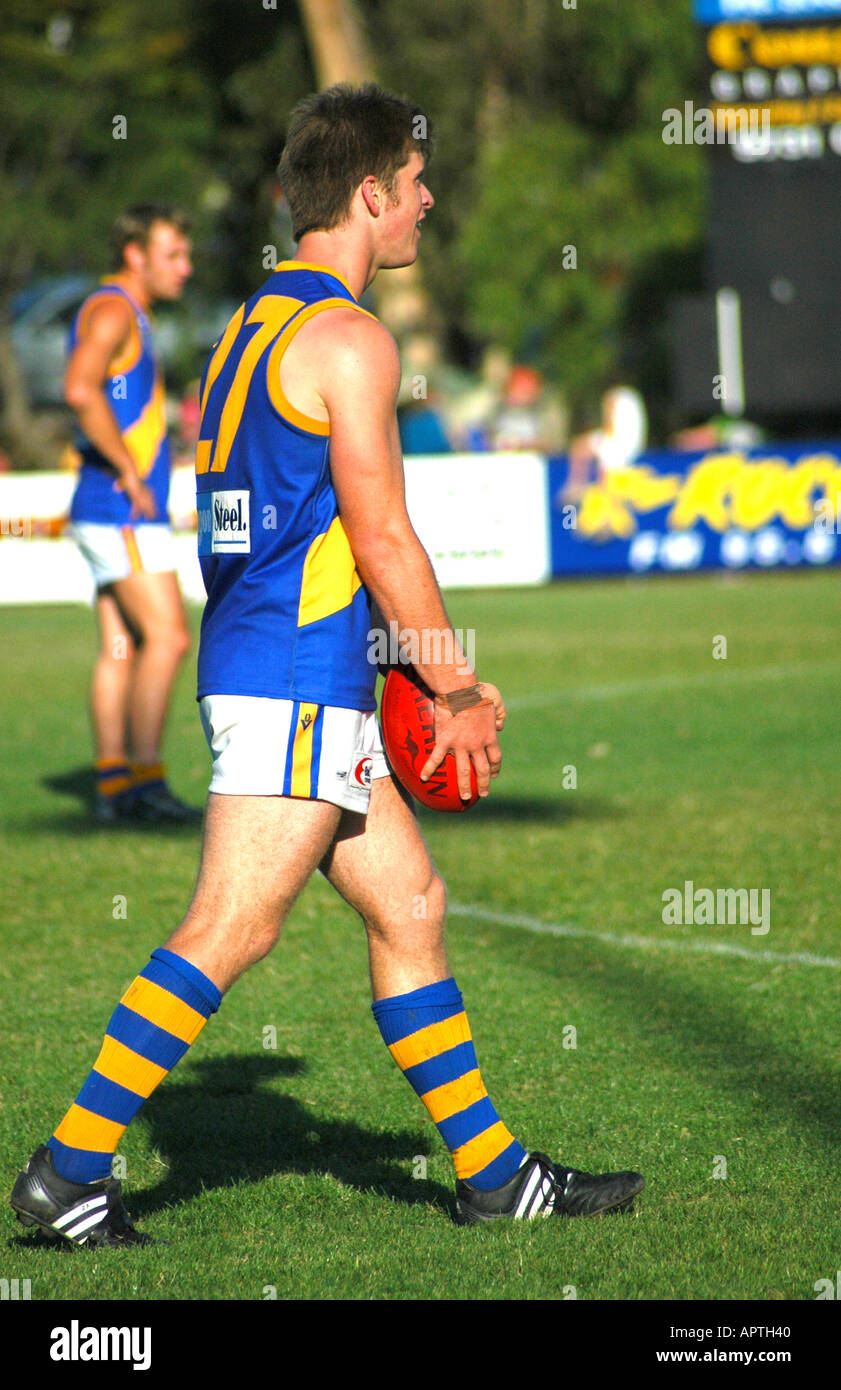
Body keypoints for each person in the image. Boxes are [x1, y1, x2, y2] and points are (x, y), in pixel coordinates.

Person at [11, 86, 643, 1245]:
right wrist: (450, 683)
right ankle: (66, 1174)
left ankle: (492, 1174)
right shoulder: (351, 338)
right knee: (230, 930)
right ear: (369, 193)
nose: (426, 201)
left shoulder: (252, 323)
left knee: (409, 903)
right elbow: (383, 533)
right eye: (413, 182)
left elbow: (252, 520)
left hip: (286, 668)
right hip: (295, 678)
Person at [64, 204, 202, 824]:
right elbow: (78, 388)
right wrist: (126, 467)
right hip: (120, 509)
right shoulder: (116, 308)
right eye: (173, 254)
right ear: (135, 255)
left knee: (121, 646)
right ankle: (144, 781)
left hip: (106, 508)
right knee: (169, 638)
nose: (187, 267)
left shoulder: (124, 311)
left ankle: (114, 785)